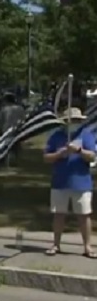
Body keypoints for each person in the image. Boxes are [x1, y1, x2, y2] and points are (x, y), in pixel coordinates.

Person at [43, 107, 96, 258]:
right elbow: (46, 157)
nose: (74, 123)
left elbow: (92, 156)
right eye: (71, 120)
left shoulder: (86, 135)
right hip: (60, 182)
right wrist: (59, 154)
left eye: (77, 120)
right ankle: (56, 244)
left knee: (84, 215)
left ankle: (87, 247)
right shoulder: (56, 136)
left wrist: (79, 151)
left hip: (81, 183)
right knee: (59, 214)